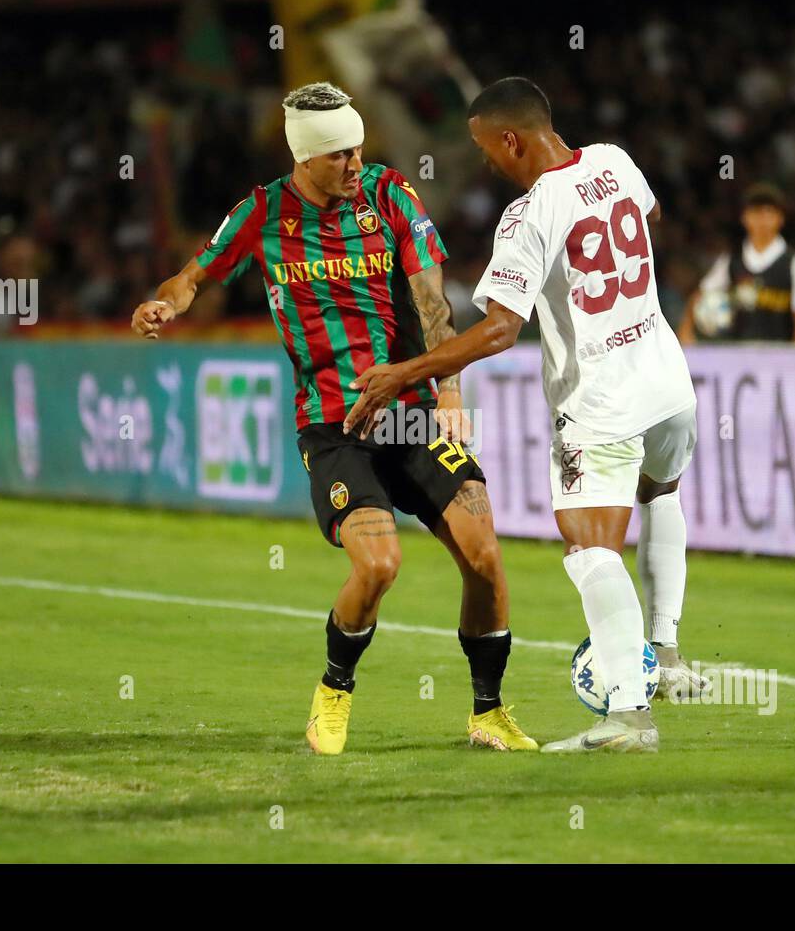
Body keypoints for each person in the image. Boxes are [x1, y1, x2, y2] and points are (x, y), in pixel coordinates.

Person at [132, 82, 536, 755]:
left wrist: (450, 392)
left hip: (408, 417)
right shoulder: (262, 215)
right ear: (306, 158)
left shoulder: (389, 197)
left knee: (486, 554)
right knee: (379, 565)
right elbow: (194, 273)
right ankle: (333, 692)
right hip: (332, 426)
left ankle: (488, 714)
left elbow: (432, 304)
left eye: (358, 151)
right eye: (341, 157)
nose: (355, 165)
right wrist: (167, 302)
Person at [345, 77, 709, 753]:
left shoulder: (530, 213)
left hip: (601, 400)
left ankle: (629, 716)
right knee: (661, 492)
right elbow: (648, 221)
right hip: (667, 377)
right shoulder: (614, 159)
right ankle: (668, 652)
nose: (489, 163)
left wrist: (406, 372)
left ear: (510, 138)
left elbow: (498, 330)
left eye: (487, 149)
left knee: (591, 548)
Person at [680, 183, 795, 343]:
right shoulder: (733, 259)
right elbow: (701, 294)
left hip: (780, 357)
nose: (762, 220)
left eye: (769, 213)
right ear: (745, 217)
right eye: (756, 213)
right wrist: (685, 328)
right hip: (739, 356)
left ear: (781, 219)